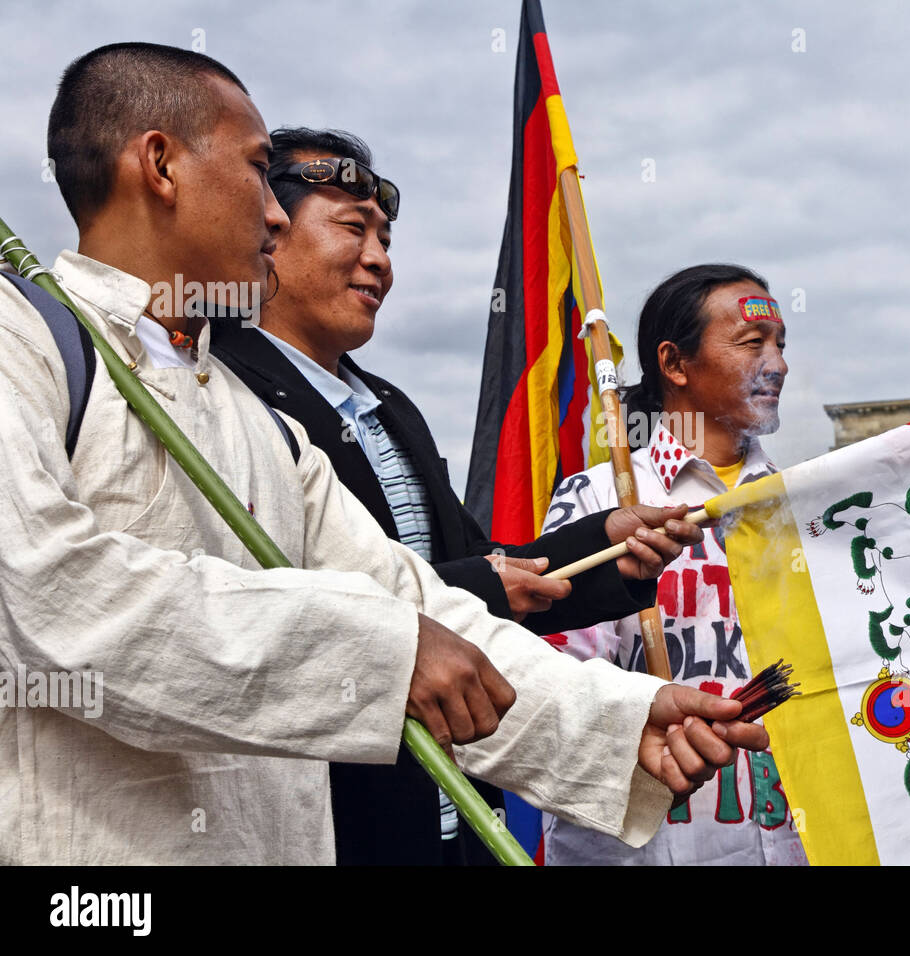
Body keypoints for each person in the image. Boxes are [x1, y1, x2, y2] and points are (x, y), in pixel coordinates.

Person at [0, 42, 767, 865]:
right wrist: (376, 652)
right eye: (260, 170)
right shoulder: (29, 343)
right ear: (160, 163)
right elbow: (46, 596)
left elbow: (418, 604)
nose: (271, 213)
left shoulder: (263, 426)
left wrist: (615, 723)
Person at [210, 126, 701, 865]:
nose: (378, 260)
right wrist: (481, 584)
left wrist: (610, 550)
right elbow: (266, 605)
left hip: (459, 806)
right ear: (268, 231)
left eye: (386, 238)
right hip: (339, 820)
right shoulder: (221, 396)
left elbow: (480, 567)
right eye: (352, 229)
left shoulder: (388, 406)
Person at [539, 263, 809, 865]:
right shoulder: (600, 502)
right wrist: (639, 721)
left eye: (781, 345)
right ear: (675, 363)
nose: (778, 365)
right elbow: (552, 684)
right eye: (751, 344)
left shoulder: (803, 509)